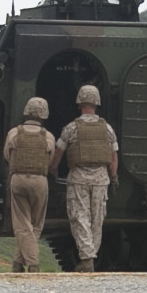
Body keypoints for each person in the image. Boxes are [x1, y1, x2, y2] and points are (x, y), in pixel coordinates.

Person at [51, 85, 119, 272]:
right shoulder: (107, 129)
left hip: (79, 178)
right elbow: (114, 157)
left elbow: (58, 152)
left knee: (80, 216)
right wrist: (113, 177)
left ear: (79, 103)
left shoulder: (71, 128)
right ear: (97, 103)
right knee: (97, 219)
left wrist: (53, 169)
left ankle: (87, 257)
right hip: (101, 178)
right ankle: (90, 256)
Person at [2, 97, 55, 273]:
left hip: (17, 178)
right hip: (40, 180)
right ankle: (32, 264)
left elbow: (7, 156)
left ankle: (21, 264)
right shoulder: (48, 136)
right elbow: (51, 160)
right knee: (36, 224)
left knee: (22, 224)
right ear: (44, 115)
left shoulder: (13, 133)